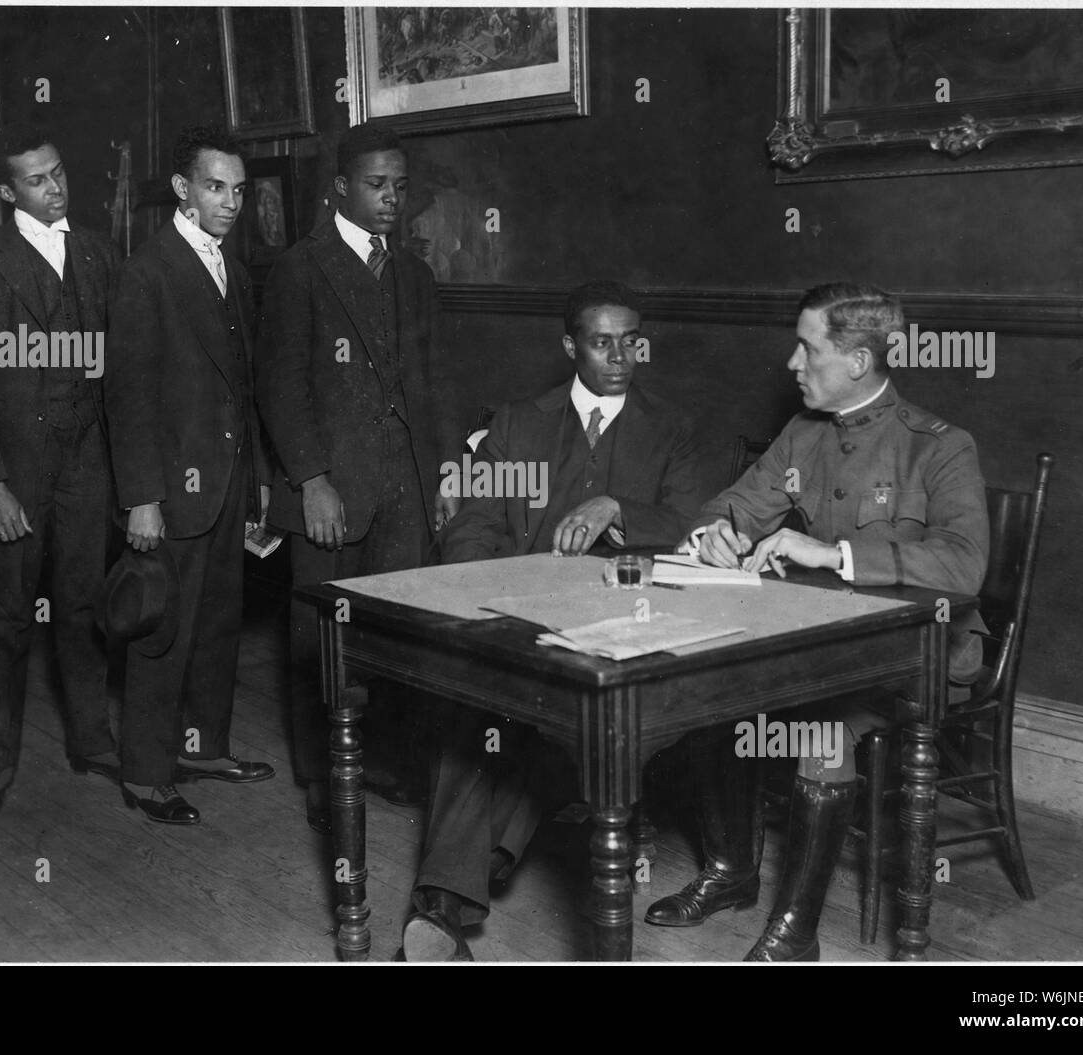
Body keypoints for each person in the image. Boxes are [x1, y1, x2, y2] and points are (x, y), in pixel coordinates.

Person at [648, 282, 989, 960]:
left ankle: (796, 931)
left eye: (808, 349)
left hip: (914, 658)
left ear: (858, 361)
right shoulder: (801, 435)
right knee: (709, 693)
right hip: (813, 648)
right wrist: (713, 533)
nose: (792, 364)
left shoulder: (940, 446)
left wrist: (831, 552)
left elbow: (964, 565)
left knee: (821, 733)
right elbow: (732, 505)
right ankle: (731, 870)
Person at [402, 281, 710, 960]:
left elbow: (694, 530)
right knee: (478, 726)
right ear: (571, 346)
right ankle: (443, 911)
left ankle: (448, 902)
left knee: (555, 727)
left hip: (625, 633)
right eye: (603, 342)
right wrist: (490, 600)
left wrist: (616, 507)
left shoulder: (670, 433)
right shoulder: (516, 423)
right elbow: (473, 525)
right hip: (519, 622)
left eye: (632, 340)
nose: (621, 355)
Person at [256, 121, 462, 831]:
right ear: (341, 186)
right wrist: (311, 479)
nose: (391, 199)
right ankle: (322, 773)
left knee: (399, 629)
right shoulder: (298, 269)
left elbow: (434, 382)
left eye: (401, 187)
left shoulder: (414, 274)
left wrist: (444, 471)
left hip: (406, 480)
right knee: (324, 632)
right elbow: (281, 386)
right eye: (377, 185)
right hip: (333, 488)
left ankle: (390, 761)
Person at [0, 123, 121, 819]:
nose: (56, 187)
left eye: (58, 172)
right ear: (6, 189)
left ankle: (91, 739)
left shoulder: (99, 255)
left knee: (82, 607)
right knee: (10, 619)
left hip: (86, 462)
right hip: (17, 474)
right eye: (38, 180)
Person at [103, 126, 274, 825]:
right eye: (214, 187)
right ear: (182, 189)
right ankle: (145, 773)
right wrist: (142, 499)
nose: (230, 202)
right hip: (171, 489)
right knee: (163, 629)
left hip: (228, 480)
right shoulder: (147, 271)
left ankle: (203, 747)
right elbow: (128, 395)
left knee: (217, 622)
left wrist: (258, 477)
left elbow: (244, 384)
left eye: (238, 189)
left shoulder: (232, 265)